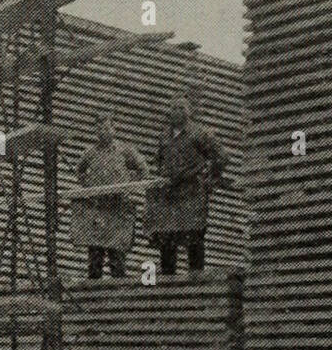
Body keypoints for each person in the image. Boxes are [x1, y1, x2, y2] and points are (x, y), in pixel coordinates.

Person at [152, 97, 230, 276]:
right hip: (170, 197)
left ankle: (196, 287)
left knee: (194, 240)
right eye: (173, 108)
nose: (177, 112)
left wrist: (211, 177)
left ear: (189, 111)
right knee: (167, 241)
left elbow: (222, 156)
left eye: (181, 108)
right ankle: (167, 290)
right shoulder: (164, 136)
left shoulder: (199, 133)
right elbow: (159, 160)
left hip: (192, 194)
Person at [77, 112, 149, 279]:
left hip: (118, 207)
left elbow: (143, 169)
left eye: (106, 127)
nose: (103, 131)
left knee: (117, 256)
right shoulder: (90, 153)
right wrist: (88, 186)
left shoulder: (124, 151)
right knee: (95, 256)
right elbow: (79, 171)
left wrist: (128, 185)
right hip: (97, 209)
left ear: (113, 129)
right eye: (99, 128)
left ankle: (119, 297)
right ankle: (94, 298)